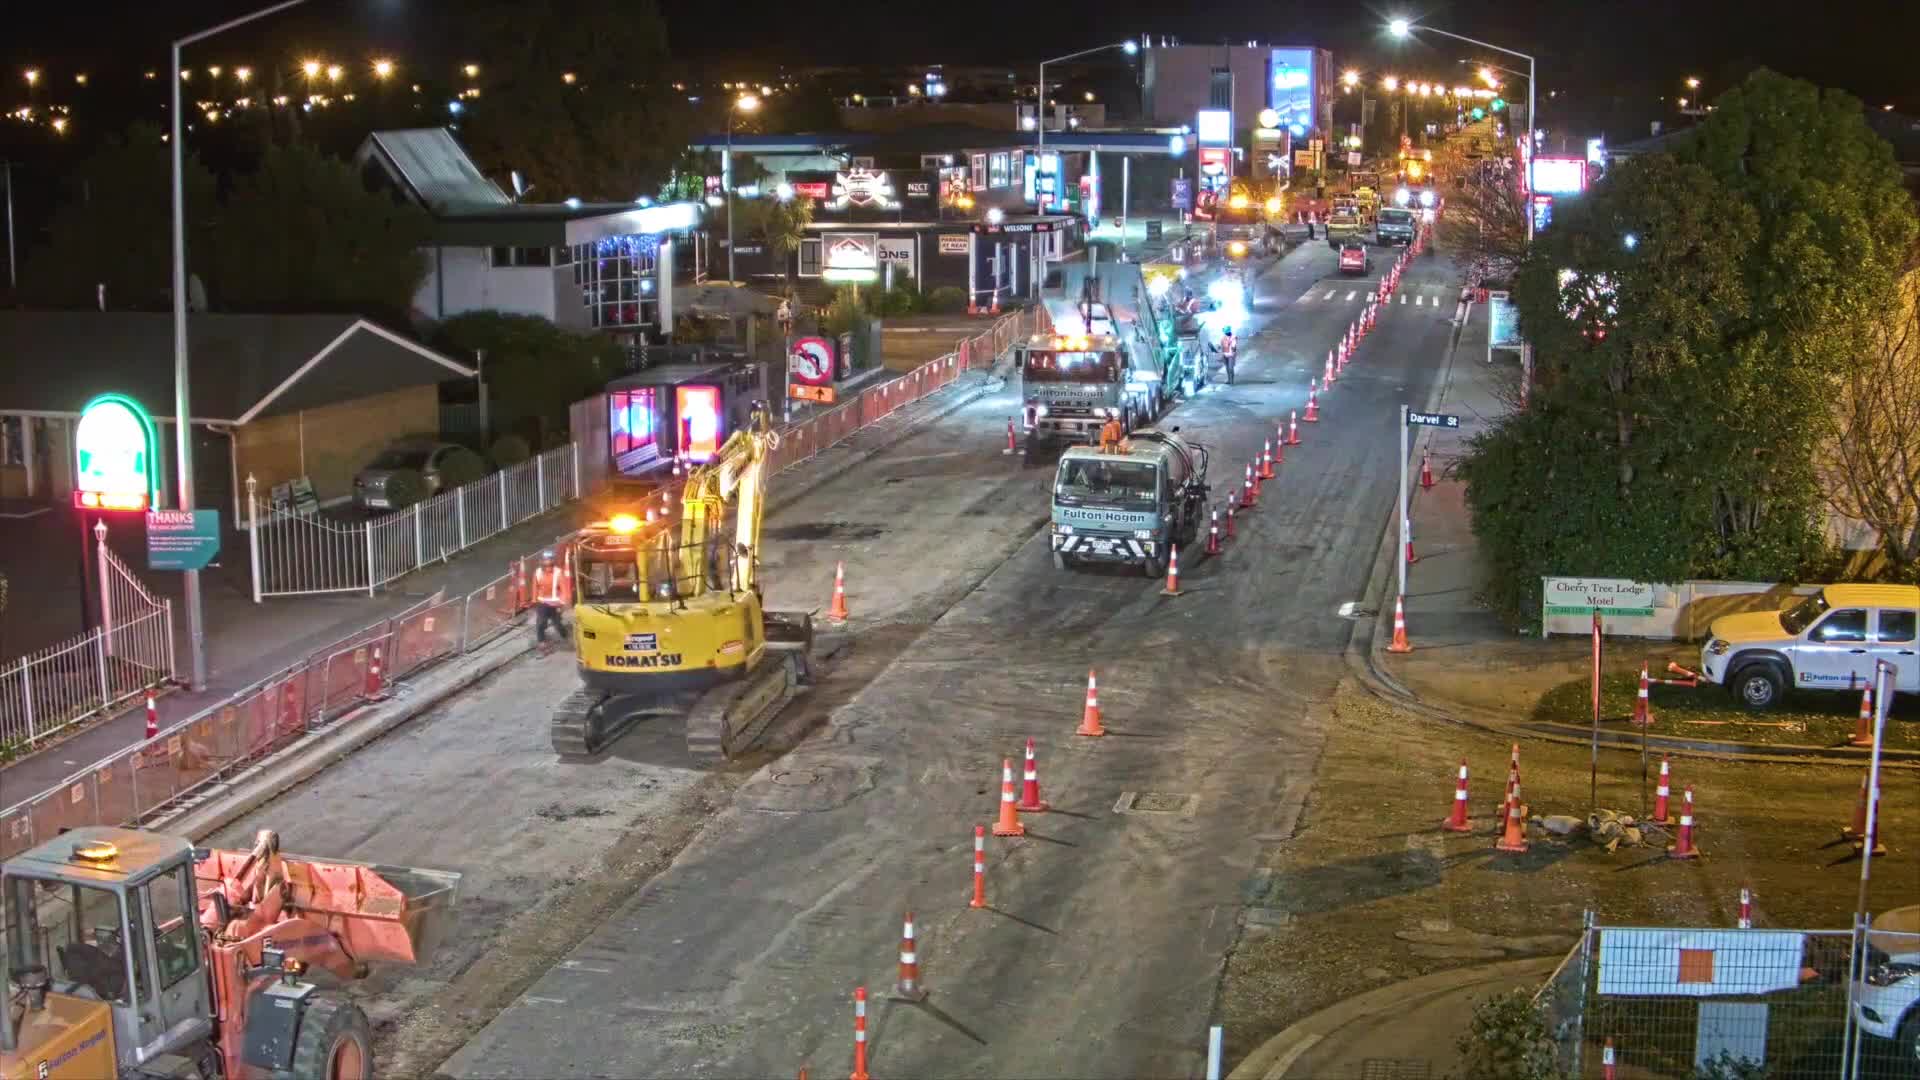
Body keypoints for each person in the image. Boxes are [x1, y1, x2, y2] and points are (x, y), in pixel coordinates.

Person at [531, 549, 571, 654]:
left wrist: (563, 602)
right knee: (540, 623)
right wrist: (534, 600)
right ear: (542, 561)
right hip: (542, 602)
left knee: (557, 623)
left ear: (552, 561)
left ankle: (565, 635)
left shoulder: (558, 572)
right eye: (545, 560)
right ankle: (542, 643)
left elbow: (563, 588)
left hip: (555, 603)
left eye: (549, 560)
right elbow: (535, 587)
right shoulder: (538, 572)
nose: (547, 563)